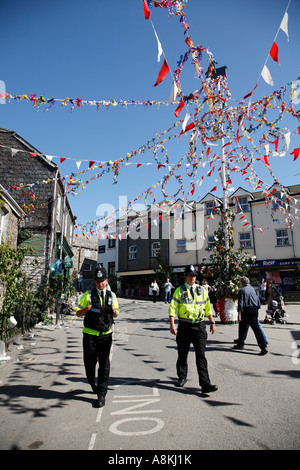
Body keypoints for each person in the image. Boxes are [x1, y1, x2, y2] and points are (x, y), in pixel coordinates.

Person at [169, 265, 218, 394]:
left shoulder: (202, 290)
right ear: (185, 276)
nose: (192, 278)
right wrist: (172, 324)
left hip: (199, 326)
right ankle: (182, 377)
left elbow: (208, 308)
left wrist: (212, 322)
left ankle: (205, 384)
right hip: (184, 326)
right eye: (190, 275)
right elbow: (172, 308)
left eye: (194, 275)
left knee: (201, 355)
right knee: (182, 353)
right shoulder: (179, 291)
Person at [76, 266, 119, 408]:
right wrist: (86, 309)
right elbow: (77, 313)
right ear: (94, 282)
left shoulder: (112, 296)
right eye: (98, 281)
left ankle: (102, 394)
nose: (100, 284)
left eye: (103, 281)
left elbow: (117, 313)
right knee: (89, 364)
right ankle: (91, 382)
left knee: (104, 365)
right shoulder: (88, 295)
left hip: (106, 335)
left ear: (107, 281)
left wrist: (113, 311)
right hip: (89, 335)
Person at [233, 276, 268, 355]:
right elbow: (257, 299)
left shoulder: (242, 290)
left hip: (246, 310)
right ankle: (263, 346)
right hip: (254, 309)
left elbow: (241, 303)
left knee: (243, 327)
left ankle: (241, 343)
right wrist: (257, 308)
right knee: (255, 329)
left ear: (242, 283)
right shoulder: (253, 289)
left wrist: (239, 314)